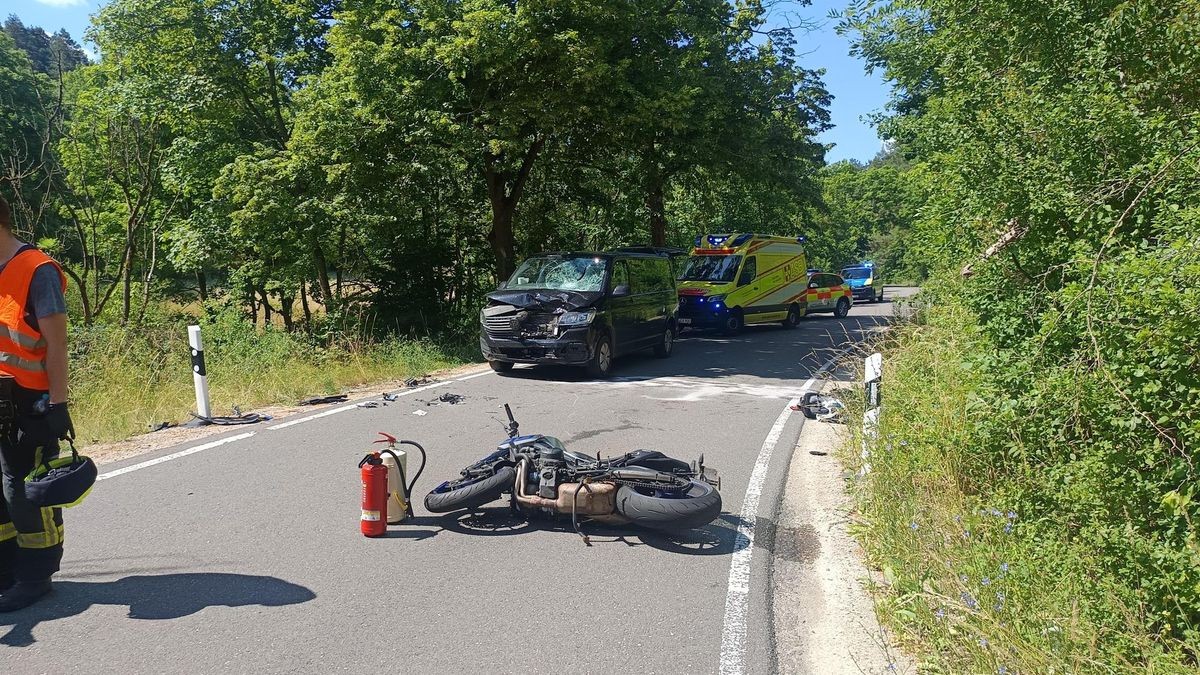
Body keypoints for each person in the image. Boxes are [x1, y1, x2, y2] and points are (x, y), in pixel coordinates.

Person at [0, 193, 72, 612]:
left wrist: (58, 405)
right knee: (1, 490)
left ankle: (35, 575)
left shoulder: (36, 270)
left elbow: (56, 345)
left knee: (24, 489)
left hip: (31, 401)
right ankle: (6, 569)